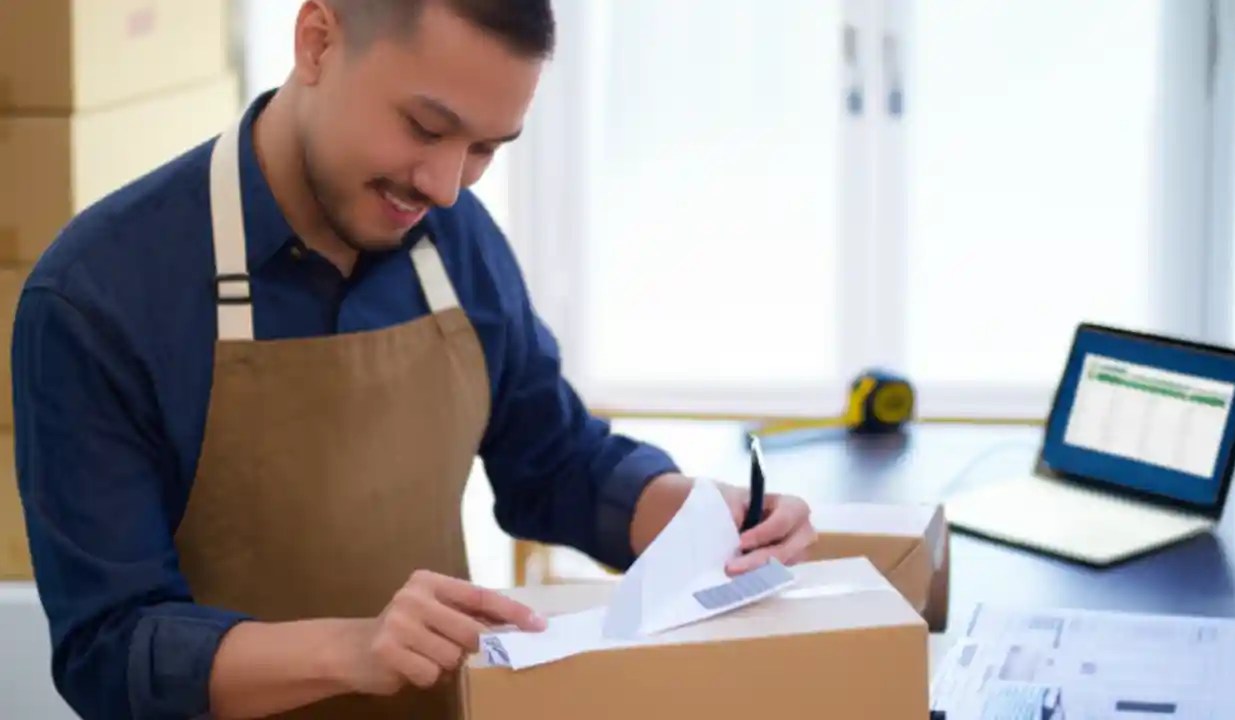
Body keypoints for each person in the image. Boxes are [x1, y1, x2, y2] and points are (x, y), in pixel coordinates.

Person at [9, 0, 817, 718]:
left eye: (485, 149)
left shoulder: (453, 238)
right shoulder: (96, 299)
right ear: (317, 41)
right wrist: (354, 651)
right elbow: (111, 652)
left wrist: (704, 519)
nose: (445, 185)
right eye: (426, 129)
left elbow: (554, 462)